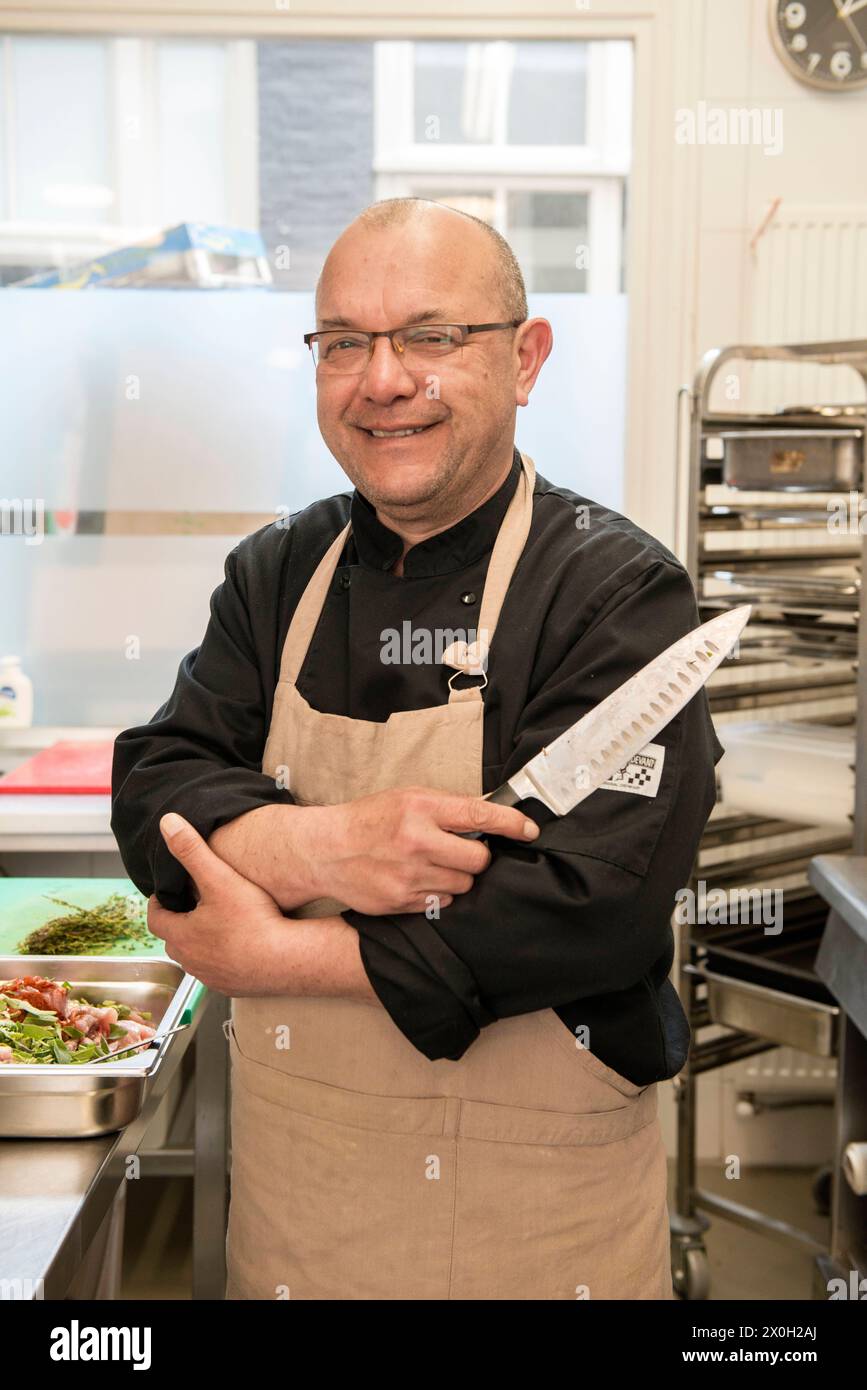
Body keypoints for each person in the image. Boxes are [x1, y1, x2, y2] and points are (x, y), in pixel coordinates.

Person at [111, 197, 723, 1301]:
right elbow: (155, 787)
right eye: (344, 341)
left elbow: (586, 908)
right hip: (304, 1213)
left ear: (526, 359)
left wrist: (279, 956)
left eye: (433, 336)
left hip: (537, 1230)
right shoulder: (277, 572)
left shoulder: (615, 593)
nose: (382, 380)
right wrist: (323, 847)